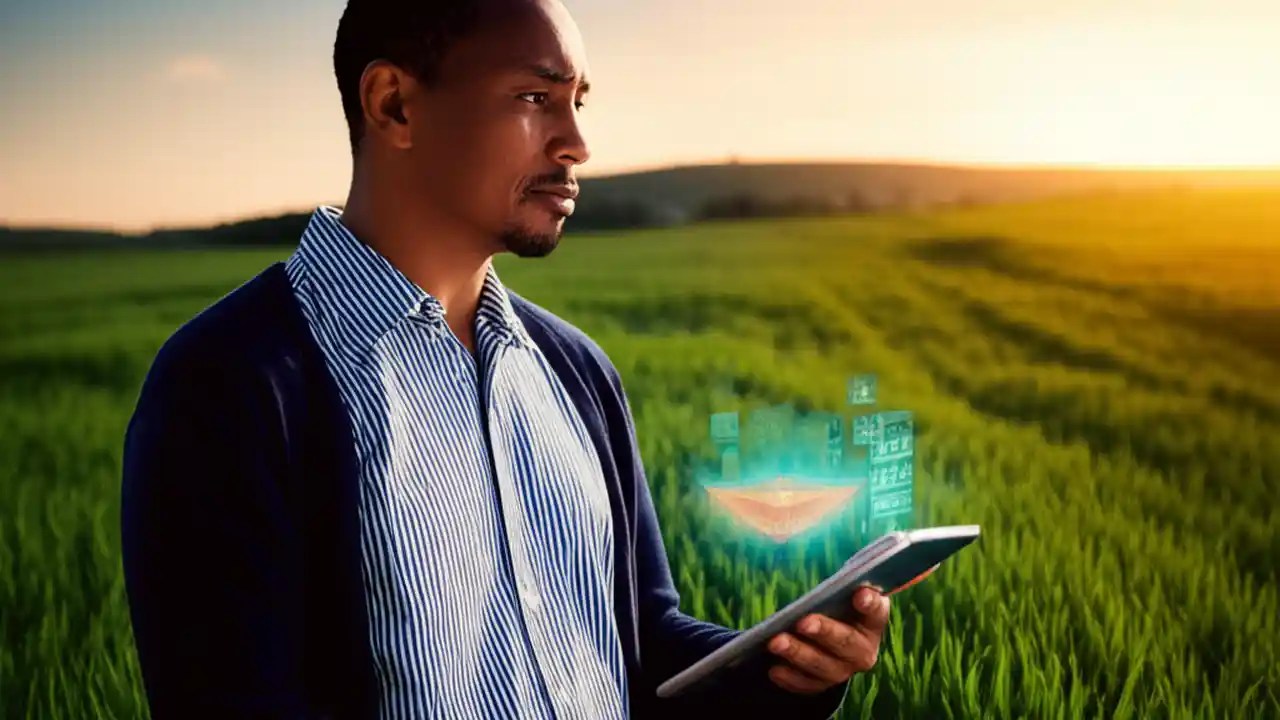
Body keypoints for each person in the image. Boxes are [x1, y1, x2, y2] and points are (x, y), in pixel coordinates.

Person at [119, 0, 890, 717]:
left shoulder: (576, 371)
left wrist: (789, 665)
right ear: (394, 104)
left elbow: (642, 645)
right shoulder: (229, 383)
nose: (577, 144)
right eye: (534, 98)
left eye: (577, 101)